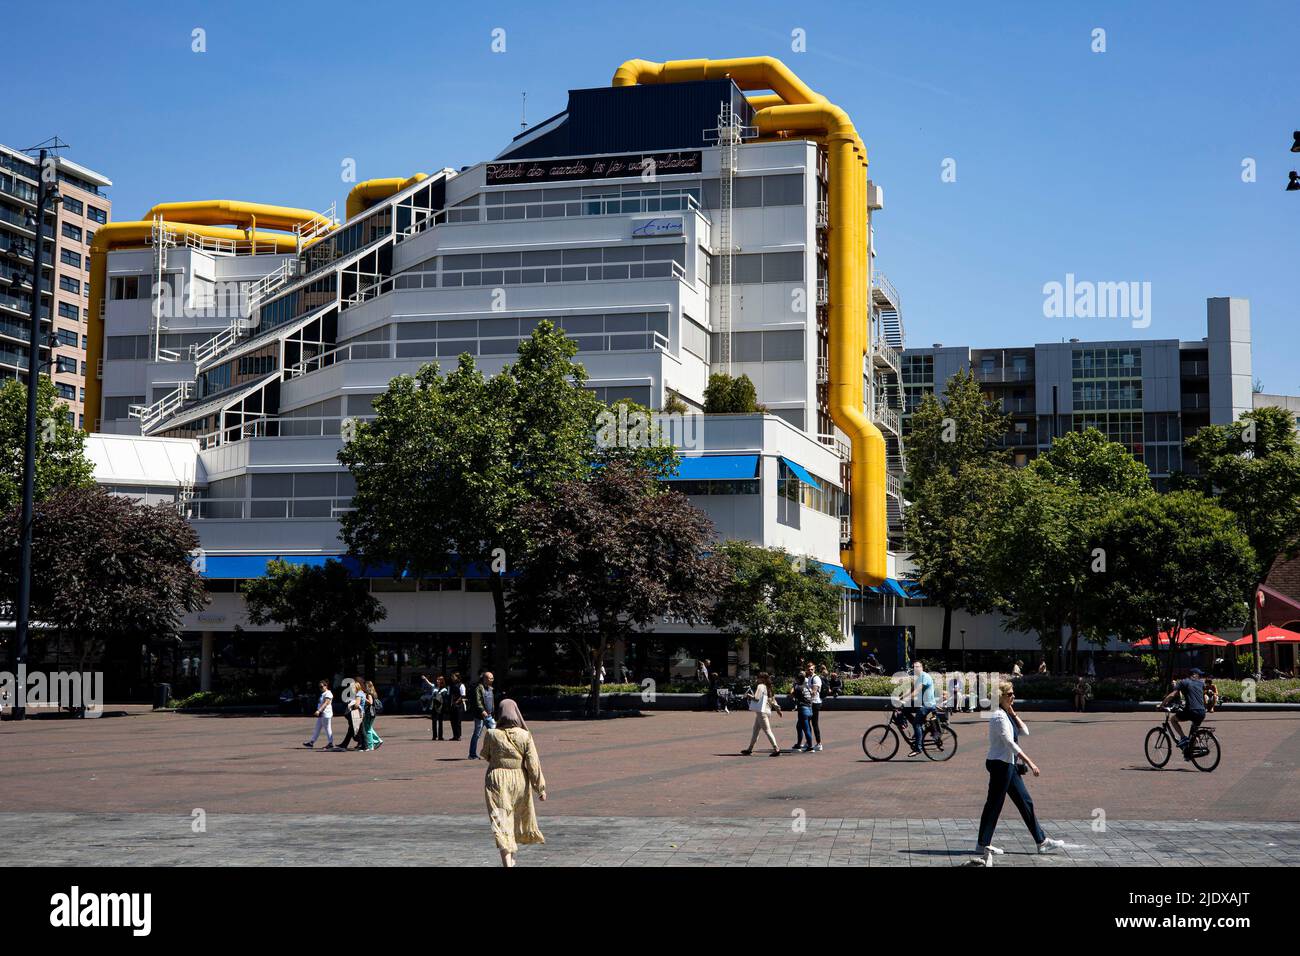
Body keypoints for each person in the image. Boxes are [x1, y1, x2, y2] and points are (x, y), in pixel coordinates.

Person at [968, 681, 1065, 866]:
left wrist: (1014, 714)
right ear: (1000, 697)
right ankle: (982, 844)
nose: (1013, 697)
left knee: (1025, 801)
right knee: (994, 805)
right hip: (1000, 765)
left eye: (1013, 694)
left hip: (1008, 765)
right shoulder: (997, 716)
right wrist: (1030, 762)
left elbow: (1025, 732)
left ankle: (1041, 842)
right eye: (1010, 694)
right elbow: (1009, 744)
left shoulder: (1006, 714)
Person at [480, 699, 547, 868]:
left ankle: (507, 862)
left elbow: (486, 755)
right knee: (516, 817)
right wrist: (540, 788)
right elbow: (533, 764)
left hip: (496, 779)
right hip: (519, 779)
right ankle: (510, 860)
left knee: (501, 819)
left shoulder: (491, 734)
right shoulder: (525, 735)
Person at [1160, 667, 1207, 759]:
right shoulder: (1201, 683)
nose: (1201, 676)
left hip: (1191, 710)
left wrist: (1162, 704)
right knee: (1194, 732)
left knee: (1173, 719)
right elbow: (1202, 697)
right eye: (1199, 675)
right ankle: (1189, 753)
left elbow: (1173, 694)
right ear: (1194, 675)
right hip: (1202, 711)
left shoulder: (1183, 682)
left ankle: (1183, 738)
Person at [895, 660, 938, 757]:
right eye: (914, 667)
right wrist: (901, 698)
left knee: (916, 724)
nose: (916, 668)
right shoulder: (918, 678)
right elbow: (911, 690)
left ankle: (918, 748)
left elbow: (917, 691)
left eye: (918, 666)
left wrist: (906, 699)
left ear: (922, 668)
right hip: (922, 703)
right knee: (905, 709)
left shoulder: (925, 676)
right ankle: (918, 730)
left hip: (928, 705)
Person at [740, 672, 782, 756]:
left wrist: (748, 695)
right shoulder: (768, 687)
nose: (757, 679)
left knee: (767, 730)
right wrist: (778, 710)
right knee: (755, 730)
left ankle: (776, 748)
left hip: (761, 712)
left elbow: (756, 698)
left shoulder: (760, 686)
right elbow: (773, 700)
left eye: (758, 678)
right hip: (766, 711)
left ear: (762, 679)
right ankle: (750, 749)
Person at [469, 671, 496, 760]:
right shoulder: (479, 688)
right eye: (490, 678)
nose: (492, 680)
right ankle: (472, 754)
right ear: (485, 679)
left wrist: (492, 711)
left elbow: (491, 701)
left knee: (495, 733)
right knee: (477, 734)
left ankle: (493, 753)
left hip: (489, 715)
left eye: (492, 678)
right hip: (480, 716)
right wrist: (482, 710)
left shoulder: (490, 688)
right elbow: (478, 701)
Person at [303, 680, 335, 749]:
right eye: (319, 687)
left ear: (326, 686)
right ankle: (311, 742)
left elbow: (326, 703)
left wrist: (318, 711)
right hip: (322, 714)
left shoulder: (328, 693)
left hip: (326, 714)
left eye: (321, 686)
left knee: (327, 728)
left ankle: (331, 743)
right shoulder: (323, 693)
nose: (320, 688)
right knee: (317, 728)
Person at [339, 676, 367, 750]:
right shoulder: (361, 693)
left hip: (358, 714)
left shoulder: (359, 694)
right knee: (351, 730)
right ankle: (344, 744)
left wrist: (352, 707)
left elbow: (357, 704)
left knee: (361, 730)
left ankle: (365, 746)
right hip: (360, 714)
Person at [790, 673, 814, 752]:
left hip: (803, 710)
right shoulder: (807, 687)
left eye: (796, 679)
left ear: (799, 680)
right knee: (799, 726)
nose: (795, 680)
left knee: (806, 729)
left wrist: (793, 687)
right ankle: (799, 744)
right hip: (810, 709)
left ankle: (810, 747)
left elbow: (791, 695)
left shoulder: (799, 688)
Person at [804, 662, 824, 752]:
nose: (810, 671)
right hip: (809, 703)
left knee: (814, 724)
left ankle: (819, 744)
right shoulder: (808, 678)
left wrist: (804, 692)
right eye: (809, 669)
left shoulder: (816, 678)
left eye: (812, 669)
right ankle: (809, 742)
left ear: (814, 669)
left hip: (815, 703)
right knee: (807, 723)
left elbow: (814, 692)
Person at [422, 675, 448, 740]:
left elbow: (444, 698)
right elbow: (429, 683)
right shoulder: (434, 687)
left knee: (440, 722)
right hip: (433, 706)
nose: (437, 681)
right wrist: (425, 679)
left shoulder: (444, 689)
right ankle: (434, 736)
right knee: (434, 721)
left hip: (440, 707)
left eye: (438, 680)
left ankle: (440, 736)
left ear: (441, 681)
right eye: (437, 680)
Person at [363, 679, 384, 750]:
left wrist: (364, 698)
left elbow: (370, 702)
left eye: (364, 686)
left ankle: (370, 745)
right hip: (372, 713)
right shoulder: (374, 693)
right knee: (369, 727)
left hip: (369, 713)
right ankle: (378, 740)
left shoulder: (369, 694)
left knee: (367, 729)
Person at [448, 672, 467, 742]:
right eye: (452, 676)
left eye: (453, 676)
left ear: (457, 677)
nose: (452, 678)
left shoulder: (461, 685)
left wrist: (456, 702)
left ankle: (458, 736)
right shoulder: (451, 685)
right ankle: (454, 735)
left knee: (458, 721)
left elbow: (463, 696)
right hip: (452, 705)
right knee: (452, 721)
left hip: (459, 705)